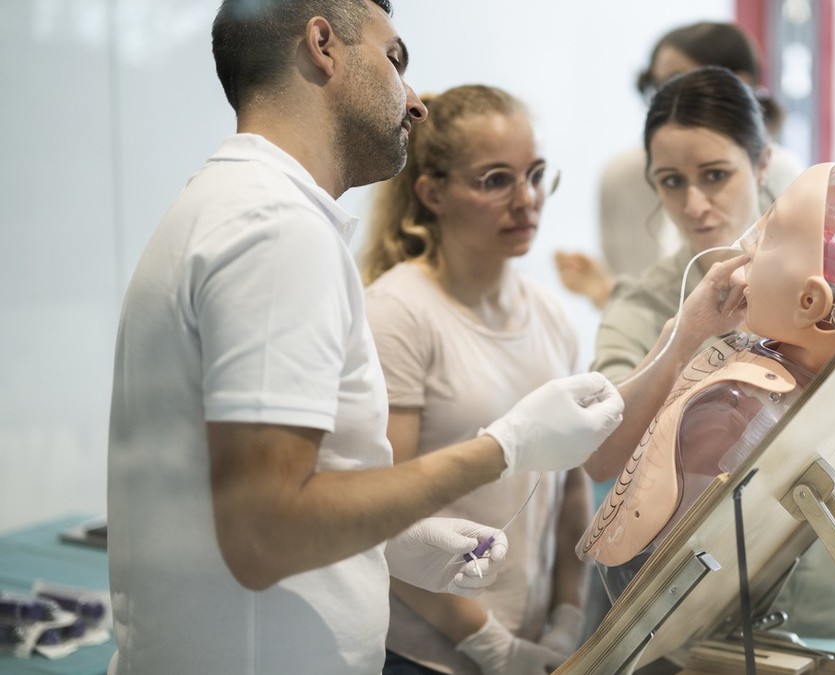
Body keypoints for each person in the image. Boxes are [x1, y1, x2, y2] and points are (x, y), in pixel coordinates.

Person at [105, 2, 623, 674]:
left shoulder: (240, 206)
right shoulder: (275, 229)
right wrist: (507, 446)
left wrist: (392, 536)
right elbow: (263, 529)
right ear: (322, 44)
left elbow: (256, 487)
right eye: (395, 60)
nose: (415, 102)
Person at [581, 67, 835, 641]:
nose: (696, 203)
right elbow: (601, 460)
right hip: (698, 620)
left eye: (715, 175)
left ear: (759, 163)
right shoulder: (650, 301)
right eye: (671, 182)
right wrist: (683, 343)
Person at [359, 84, 590, 675]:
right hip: (422, 655)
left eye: (535, 174)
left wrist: (566, 617)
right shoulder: (399, 313)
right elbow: (382, 521)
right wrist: (490, 646)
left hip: (536, 645)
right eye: (495, 181)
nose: (527, 200)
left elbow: (569, 496)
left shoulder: (553, 316)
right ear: (432, 192)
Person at [554, 21, 804, 308]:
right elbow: (641, 312)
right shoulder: (620, 176)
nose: (669, 101)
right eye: (671, 181)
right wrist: (605, 293)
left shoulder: (787, 177)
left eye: (715, 175)